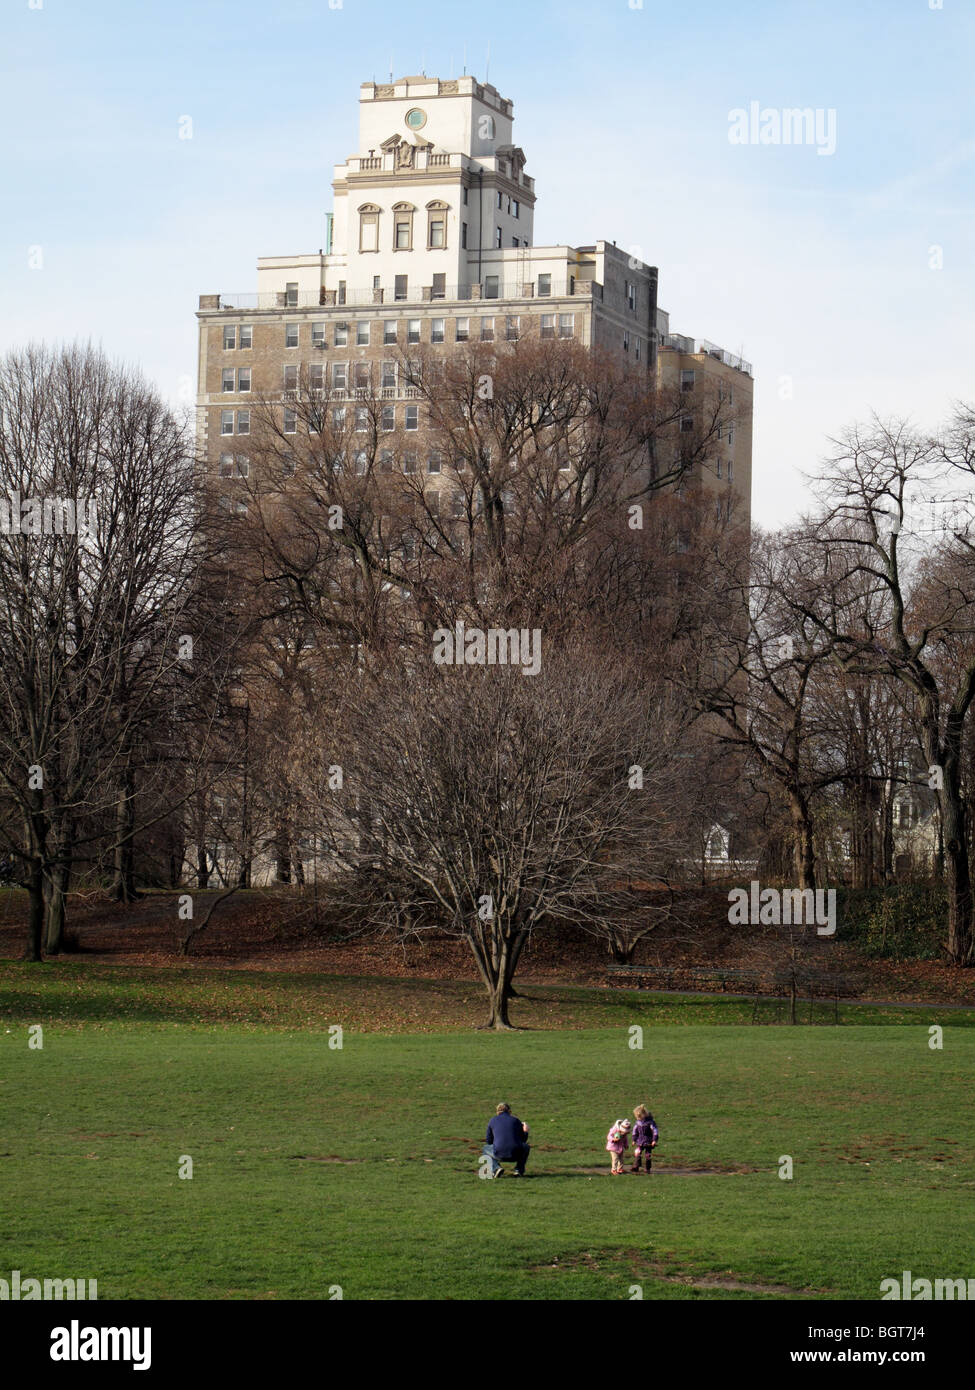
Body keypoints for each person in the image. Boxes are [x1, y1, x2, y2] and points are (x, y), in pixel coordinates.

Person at [483, 1102, 530, 1178]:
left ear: (497, 1112)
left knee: (485, 1148)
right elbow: (523, 1140)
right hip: (515, 1154)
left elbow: (488, 1141)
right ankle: (518, 1170)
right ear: (509, 1111)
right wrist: (526, 1131)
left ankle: (496, 1168)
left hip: (498, 1154)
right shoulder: (516, 1120)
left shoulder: (492, 1120)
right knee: (526, 1147)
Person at [630, 1105, 658, 1173]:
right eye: (637, 1117)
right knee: (637, 1152)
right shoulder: (638, 1123)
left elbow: (655, 1131)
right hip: (640, 1140)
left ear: (644, 1114)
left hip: (648, 1141)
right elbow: (635, 1131)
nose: (638, 1118)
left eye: (639, 1117)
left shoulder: (650, 1122)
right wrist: (634, 1139)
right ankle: (636, 1165)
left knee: (648, 1155)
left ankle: (647, 1168)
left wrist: (654, 1140)